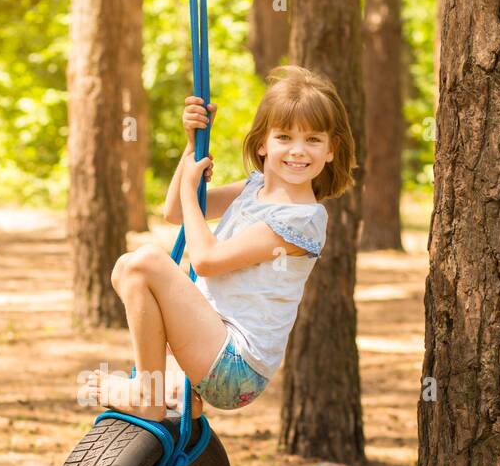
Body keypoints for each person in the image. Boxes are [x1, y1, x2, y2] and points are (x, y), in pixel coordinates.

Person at [80, 65, 355, 422]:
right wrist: (191, 150)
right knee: (126, 268)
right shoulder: (254, 189)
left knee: (144, 262)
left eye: (313, 140)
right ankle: (179, 394)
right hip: (210, 343)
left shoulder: (301, 218)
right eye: (284, 137)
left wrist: (189, 192)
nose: (298, 151)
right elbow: (176, 212)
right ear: (262, 144)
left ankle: (148, 395)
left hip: (236, 367)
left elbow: (206, 260)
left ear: (331, 149)